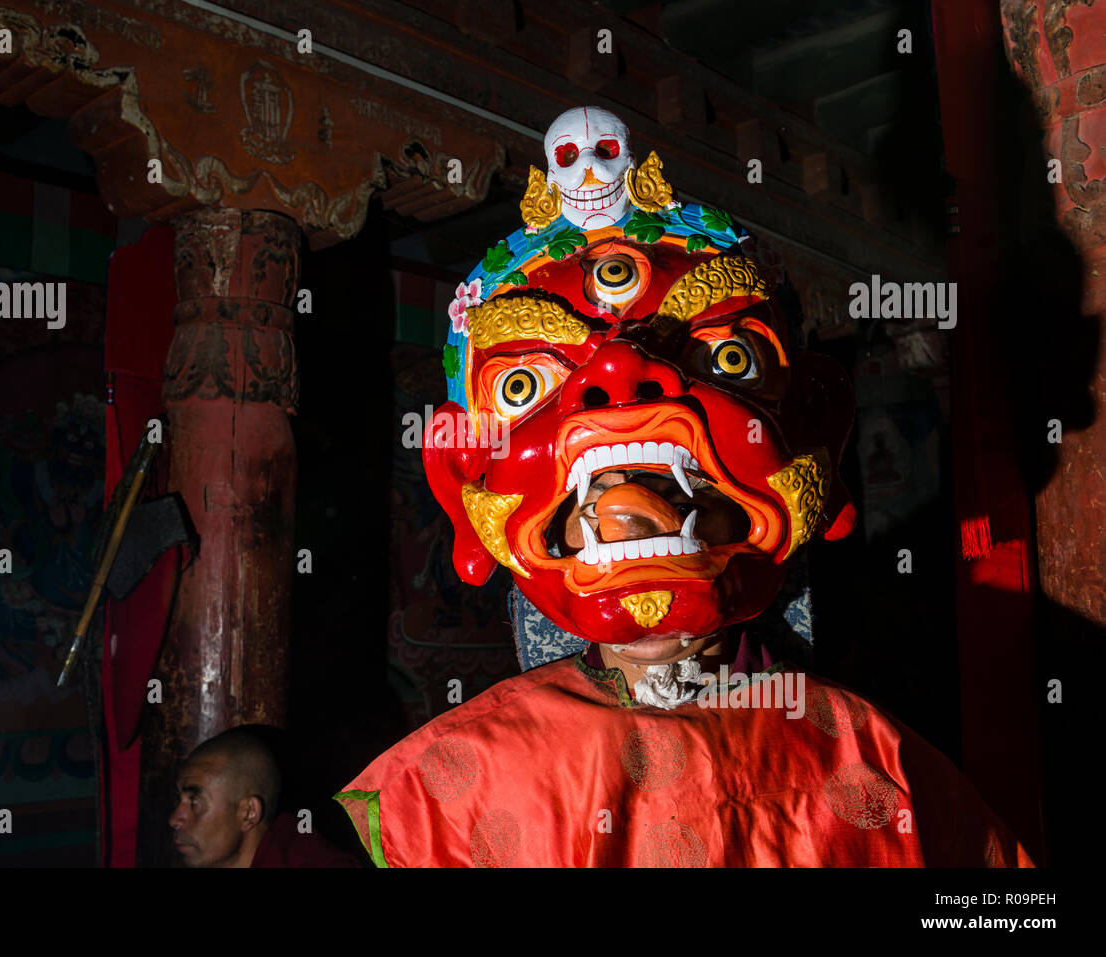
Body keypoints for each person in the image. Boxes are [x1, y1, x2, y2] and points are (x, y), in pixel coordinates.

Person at [334, 106, 1033, 868]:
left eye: (727, 358)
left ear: (818, 439)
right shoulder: (441, 799)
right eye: (526, 382)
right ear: (461, 479)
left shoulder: (884, 768)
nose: (620, 373)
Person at [171, 726, 360, 867]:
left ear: (248, 813)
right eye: (179, 800)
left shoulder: (307, 860)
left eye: (194, 802)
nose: (174, 820)